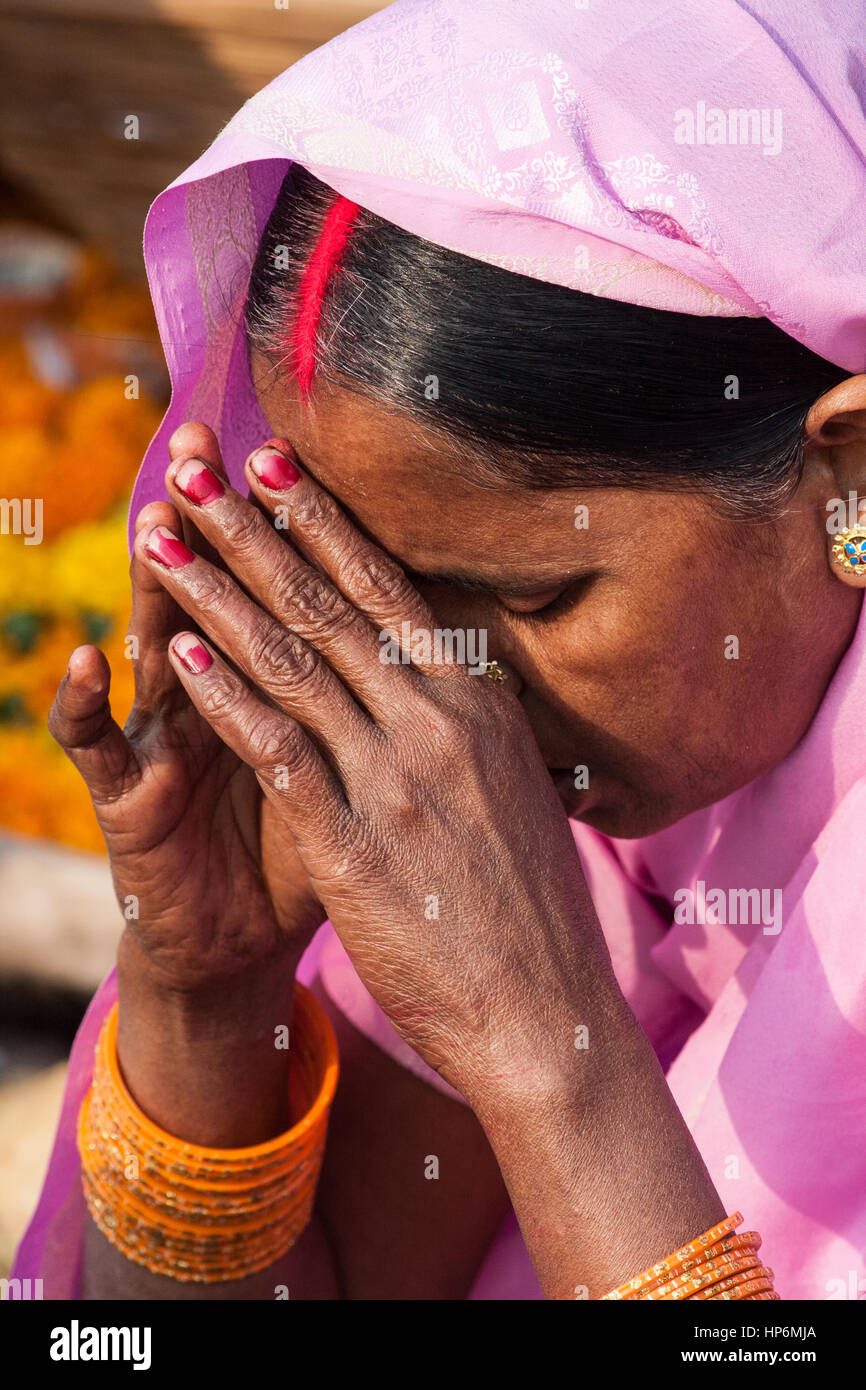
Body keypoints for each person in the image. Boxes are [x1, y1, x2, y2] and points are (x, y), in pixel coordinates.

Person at [13, 0, 866, 1301]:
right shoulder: (543, 800)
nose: (452, 700)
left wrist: (547, 1054)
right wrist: (206, 991)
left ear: (847, 469)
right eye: (382, 610)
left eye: (535, 598)